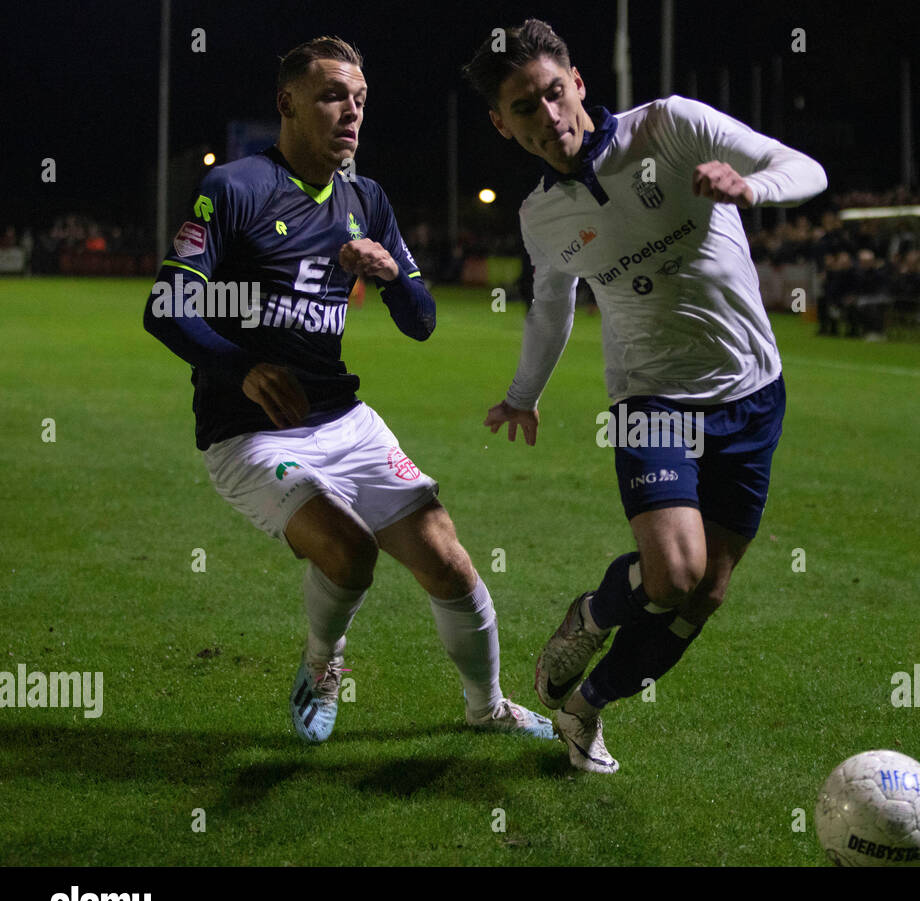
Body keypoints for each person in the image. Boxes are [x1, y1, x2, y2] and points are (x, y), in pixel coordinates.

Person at [143, 36, 552, 744]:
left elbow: (421, 323)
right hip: (250, 430)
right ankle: (323, 662)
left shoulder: (367, 199)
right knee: (348, 550)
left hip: (344, 420)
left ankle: (487, 706)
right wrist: (242, 365)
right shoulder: (233, 189)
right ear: (288, 104)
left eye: (360, 100)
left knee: (448, 561)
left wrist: (390, 273)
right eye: (333, 96)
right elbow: (165, 308)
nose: (351, 113)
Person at [463, 19, 826, 773]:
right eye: (525, 108)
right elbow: (552, 306)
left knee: (703, 599)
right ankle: (592, 613)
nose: (549, 116)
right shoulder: (541, 215)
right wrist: (524, 393)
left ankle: (584, 709)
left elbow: (804, 167)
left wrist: (751, 185)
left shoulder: (671, 126)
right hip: (652, 399)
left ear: (578, 83)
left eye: (554, 93)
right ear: (502, 124)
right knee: (672, 576)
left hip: (753, 392)